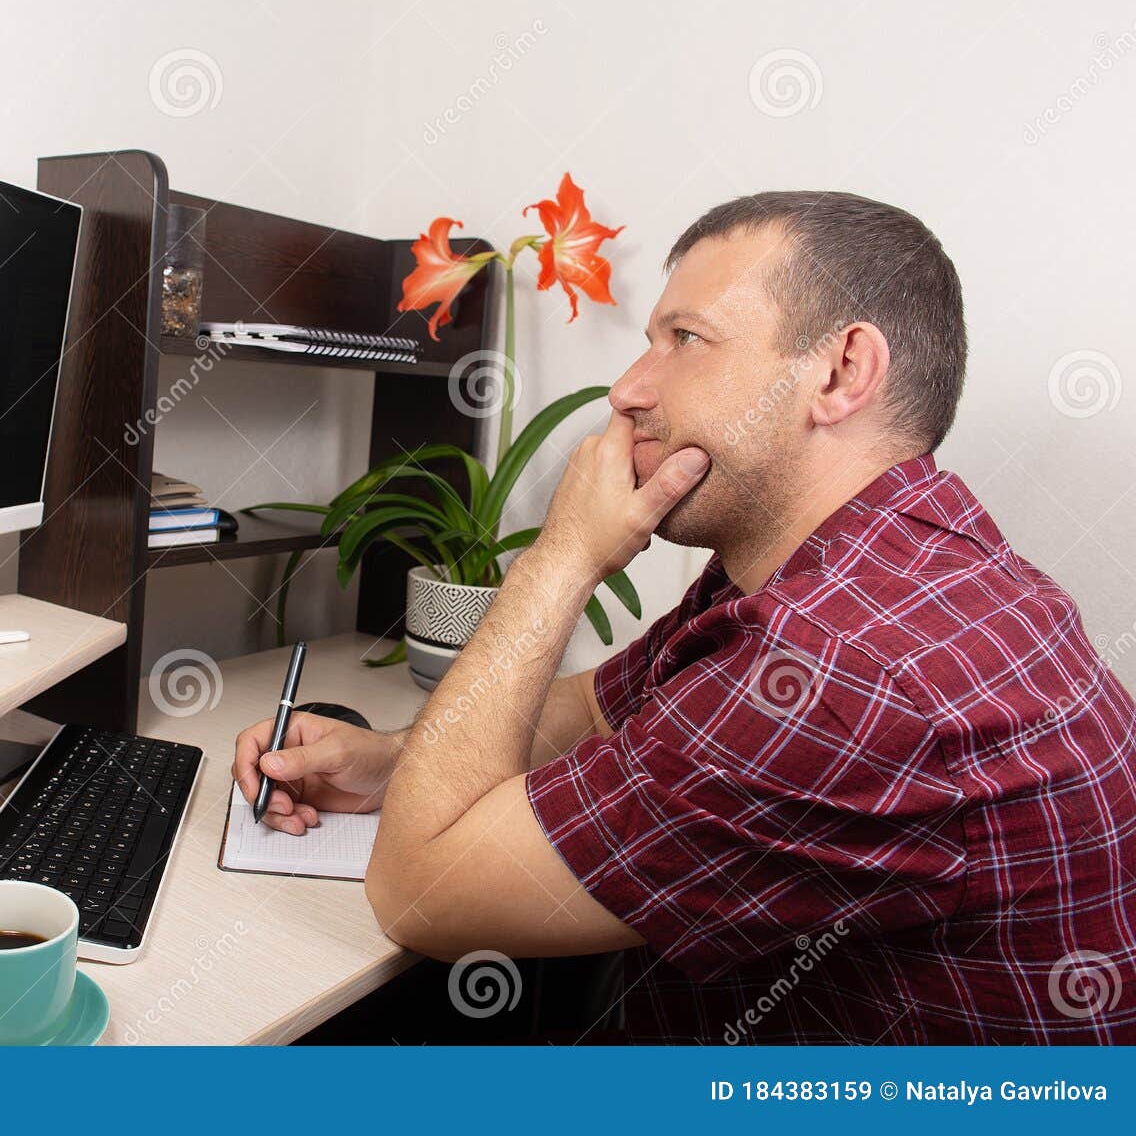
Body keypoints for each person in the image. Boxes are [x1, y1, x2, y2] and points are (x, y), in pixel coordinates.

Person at [233, 191, 1136, 1043]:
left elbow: (417, 893)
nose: (627, 390)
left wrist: (561, 557)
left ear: (840, 371)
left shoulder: (840, 664)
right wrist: (390, 760)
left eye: (686, 339)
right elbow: (596, 709)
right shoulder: (868, 562)